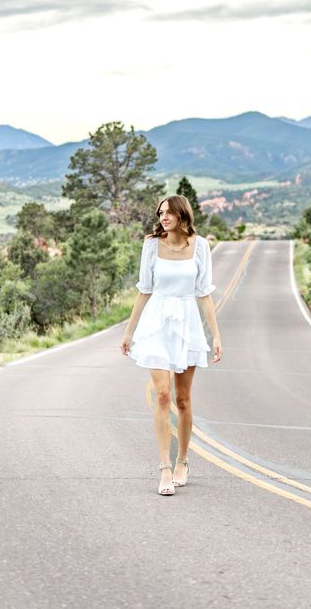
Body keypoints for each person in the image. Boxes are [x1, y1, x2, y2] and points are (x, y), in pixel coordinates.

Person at [120, 195, 222, 496]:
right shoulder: (151, 245)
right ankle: (163, 468)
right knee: (162, 395)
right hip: (157, 323)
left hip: (187, 322)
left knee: (183, 400)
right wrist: (129, 332)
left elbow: (203, 293)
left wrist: (216, 336)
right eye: (160, 213)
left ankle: (183, 461)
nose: (163, 217)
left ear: (182, 215)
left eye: (169, 213)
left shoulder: (200, 246)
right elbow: (144, 290)